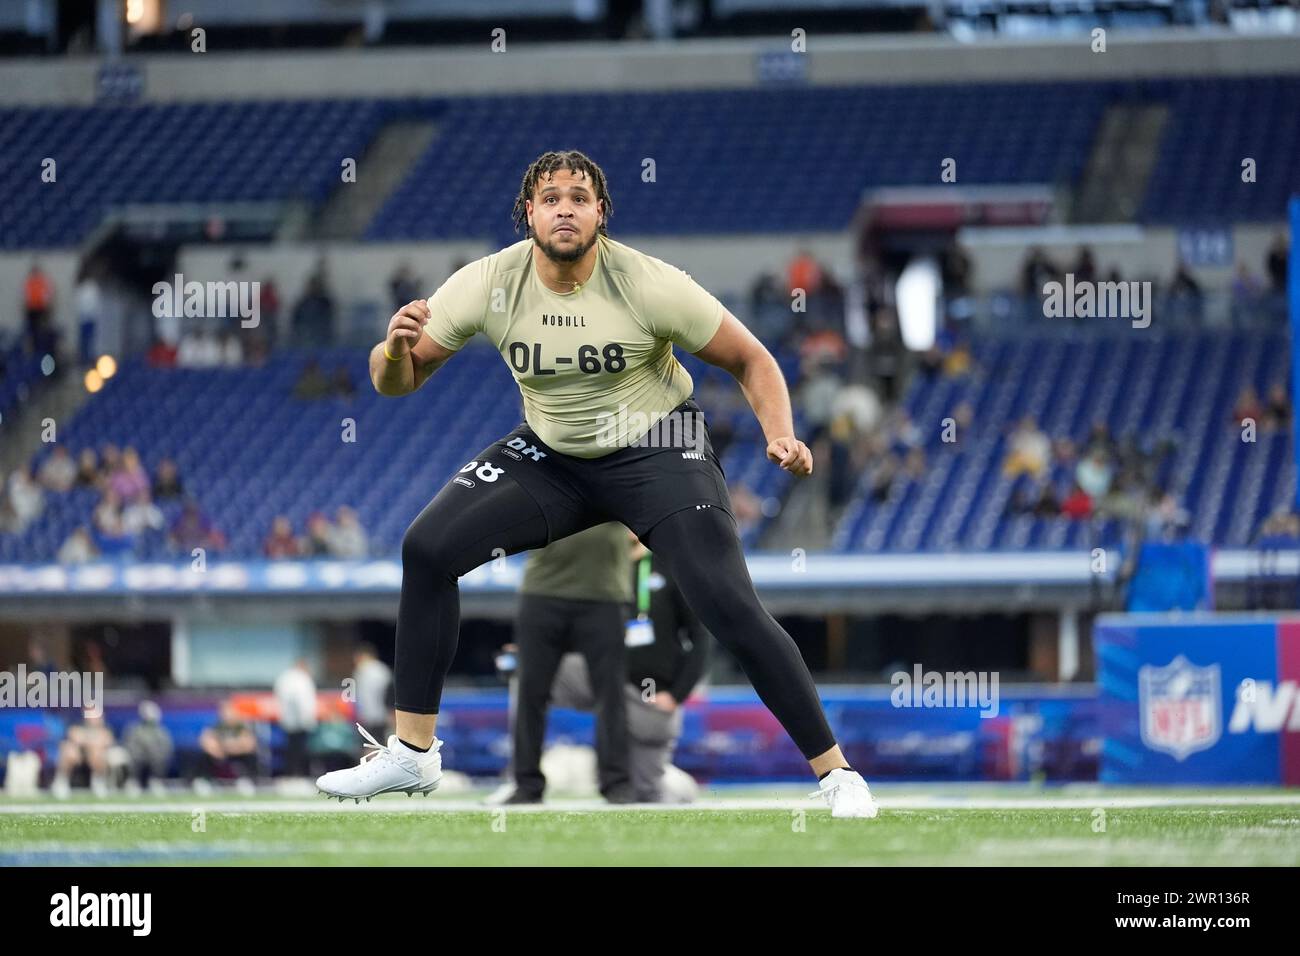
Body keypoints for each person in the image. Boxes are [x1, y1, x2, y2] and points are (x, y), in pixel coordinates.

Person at [316, 150, 876, 817]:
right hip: (554, 453)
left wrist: (779, 432)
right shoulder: (488, 282)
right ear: (528, 213)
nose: (564, 208)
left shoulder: (647, 282)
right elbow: (397, 382)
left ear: (600, 213)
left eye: (579, 197)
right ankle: (413, 752)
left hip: (658, 445)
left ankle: (837, 774)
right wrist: (395, 350)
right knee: (427, 549)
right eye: (550, 198)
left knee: (726, 603)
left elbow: (752, 359)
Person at [506, 522, 636, 804]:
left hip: (604, 596)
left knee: (611, 693)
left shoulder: (620, 479)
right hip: (543, 594)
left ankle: (617, 783)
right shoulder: (548, 476)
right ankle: (526, 784)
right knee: (530, 692)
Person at [274, 659, 318, 777]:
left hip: (288, 721)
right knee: (300, 751)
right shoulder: (301, 679)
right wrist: (307, 720)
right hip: (299, 721)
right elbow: (301, 701)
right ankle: (299, 774)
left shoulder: (284, 678)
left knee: (291, 749)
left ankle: (292, 773)